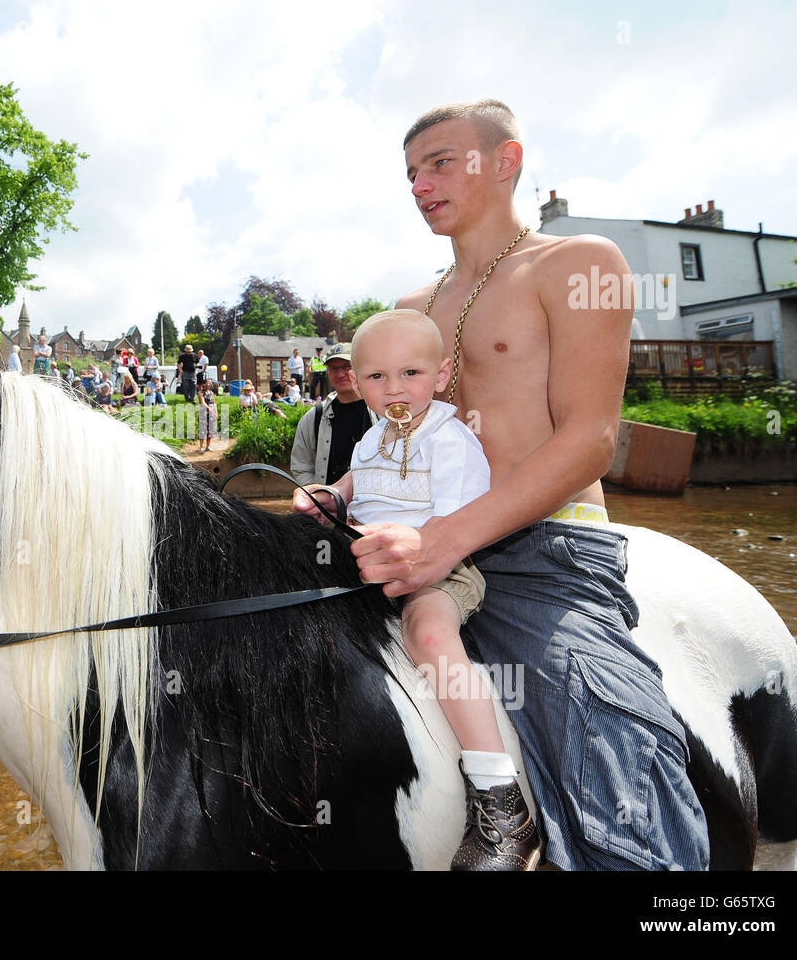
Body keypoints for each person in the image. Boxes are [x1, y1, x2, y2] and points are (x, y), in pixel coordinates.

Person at [315, 98, 708, 871]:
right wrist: (337, 496)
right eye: (411, 172)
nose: (420, 185)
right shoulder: (410, 309)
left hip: (546, 548)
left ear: (506, 161)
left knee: (609, 751)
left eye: (439, 163)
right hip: (413, 544)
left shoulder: (579, 265)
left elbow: (591, 439)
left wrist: (444, 542)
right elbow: (397, 438)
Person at [299, 309, 535, 869]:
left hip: (441, 566)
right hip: (369, 560)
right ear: (357, 383)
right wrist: (332, 495)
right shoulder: (372, 436)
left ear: (441, 374)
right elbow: (358, 480)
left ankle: (499, 795)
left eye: (410, 373)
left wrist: (400, 539)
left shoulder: (449, 438)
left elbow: (456, 522)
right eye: (377, 377)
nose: (395, 389)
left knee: (429, 634)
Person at [290, 345, 375, 487]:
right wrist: (319, 495)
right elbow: (301, 467)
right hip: (329, 500)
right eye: (334, 369)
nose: (340, 374)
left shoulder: (381, 412)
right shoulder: (314, 418)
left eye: (346, 366)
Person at [196, 378, 217, 453]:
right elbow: (202, 402)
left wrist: (216, 412)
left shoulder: (212, 393)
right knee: (202, 430)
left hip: (211, 413)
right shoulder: (200, 393)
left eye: (208, 384)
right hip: (203, 413)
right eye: (206, 384)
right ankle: (201, 447)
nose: (207, 385)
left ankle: (208, 446)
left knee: (210, 430)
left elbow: (214, 403)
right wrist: (209, 409)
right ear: (203, 385)